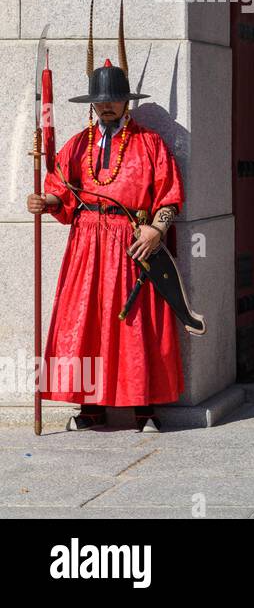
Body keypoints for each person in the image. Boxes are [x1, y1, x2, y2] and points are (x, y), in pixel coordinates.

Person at [27, 52, 189, 432]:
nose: (107, 106)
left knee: (135, 323)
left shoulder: (150, 144)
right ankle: (90, 407)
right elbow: (61, 191)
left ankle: (144, 408)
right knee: (85, 320)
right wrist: (45, 201)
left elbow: (169, 197)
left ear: (126, 101)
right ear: (92, 104)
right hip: (85, 244)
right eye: (100, 101)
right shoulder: (76, 145)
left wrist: (156, 230)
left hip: (133, 243)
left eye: (114, 100)